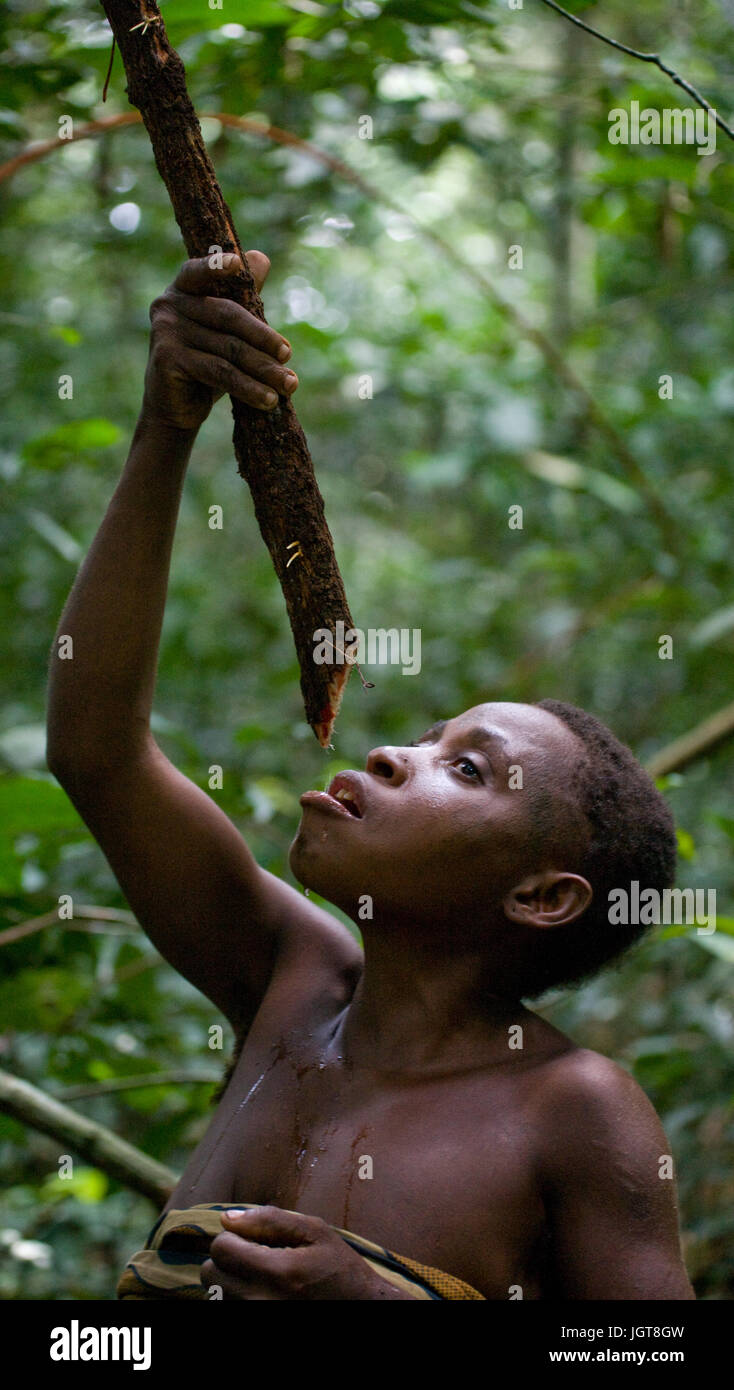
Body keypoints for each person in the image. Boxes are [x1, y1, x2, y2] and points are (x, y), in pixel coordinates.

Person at [46, 251, 694, 1301]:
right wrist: (166, 428)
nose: (392, 752)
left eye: (465, 767)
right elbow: (96, 751)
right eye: (430, 735)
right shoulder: (288, 984)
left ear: (540, 894)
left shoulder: (575, 1107)